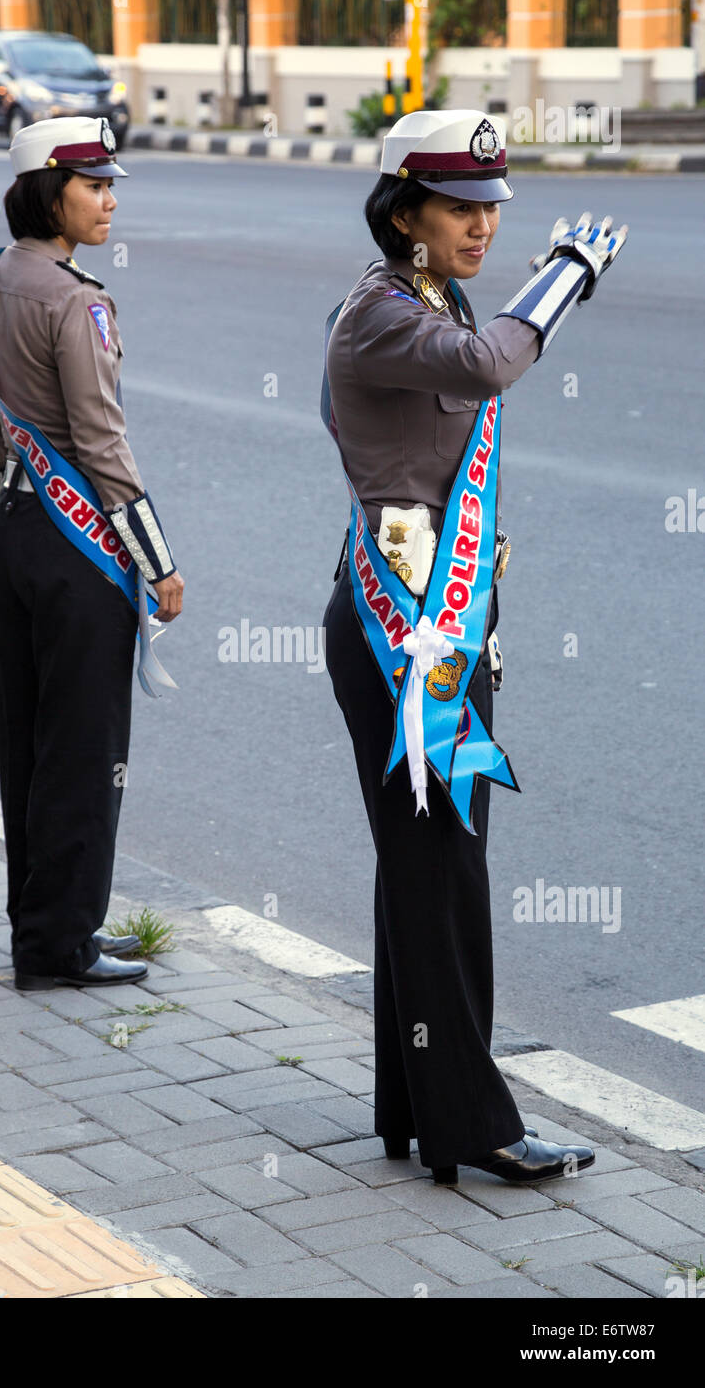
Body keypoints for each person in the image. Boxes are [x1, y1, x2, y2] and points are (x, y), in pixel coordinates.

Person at [321, 109, 626, 1185]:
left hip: (436, 626)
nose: (480, 226)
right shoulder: (381, 315)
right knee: (441, 871)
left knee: (424, 867)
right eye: (458, 207)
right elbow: (491, 364)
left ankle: (413, 1103)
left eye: (490, 208)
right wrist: (563, 275)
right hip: (403, 632)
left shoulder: (421, 298)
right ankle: (473, 1124)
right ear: (403, 211)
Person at [0, 116, 184, 992]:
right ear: (51, 192)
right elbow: (101, 442)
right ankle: (65, 945)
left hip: (13, 534)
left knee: (25, 739)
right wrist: (158, 561)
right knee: (84, 750)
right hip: (78, 547)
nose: (109, 200)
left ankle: (39, 932)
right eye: (95, 185)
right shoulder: (76, 299)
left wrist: (19, 511)